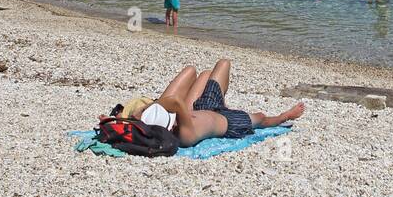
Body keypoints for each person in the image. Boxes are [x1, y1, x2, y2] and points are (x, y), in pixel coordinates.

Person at [123, 60, 305, 147]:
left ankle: (220, 97)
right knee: (261, 118)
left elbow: (174, 107)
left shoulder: (174, 122)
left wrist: (130, 118)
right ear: (170, 127)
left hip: (199, 109)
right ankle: (285, 116)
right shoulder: (185, 136)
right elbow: (175, 102)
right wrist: (149, 107)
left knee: (205, 72)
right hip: (227, 121)